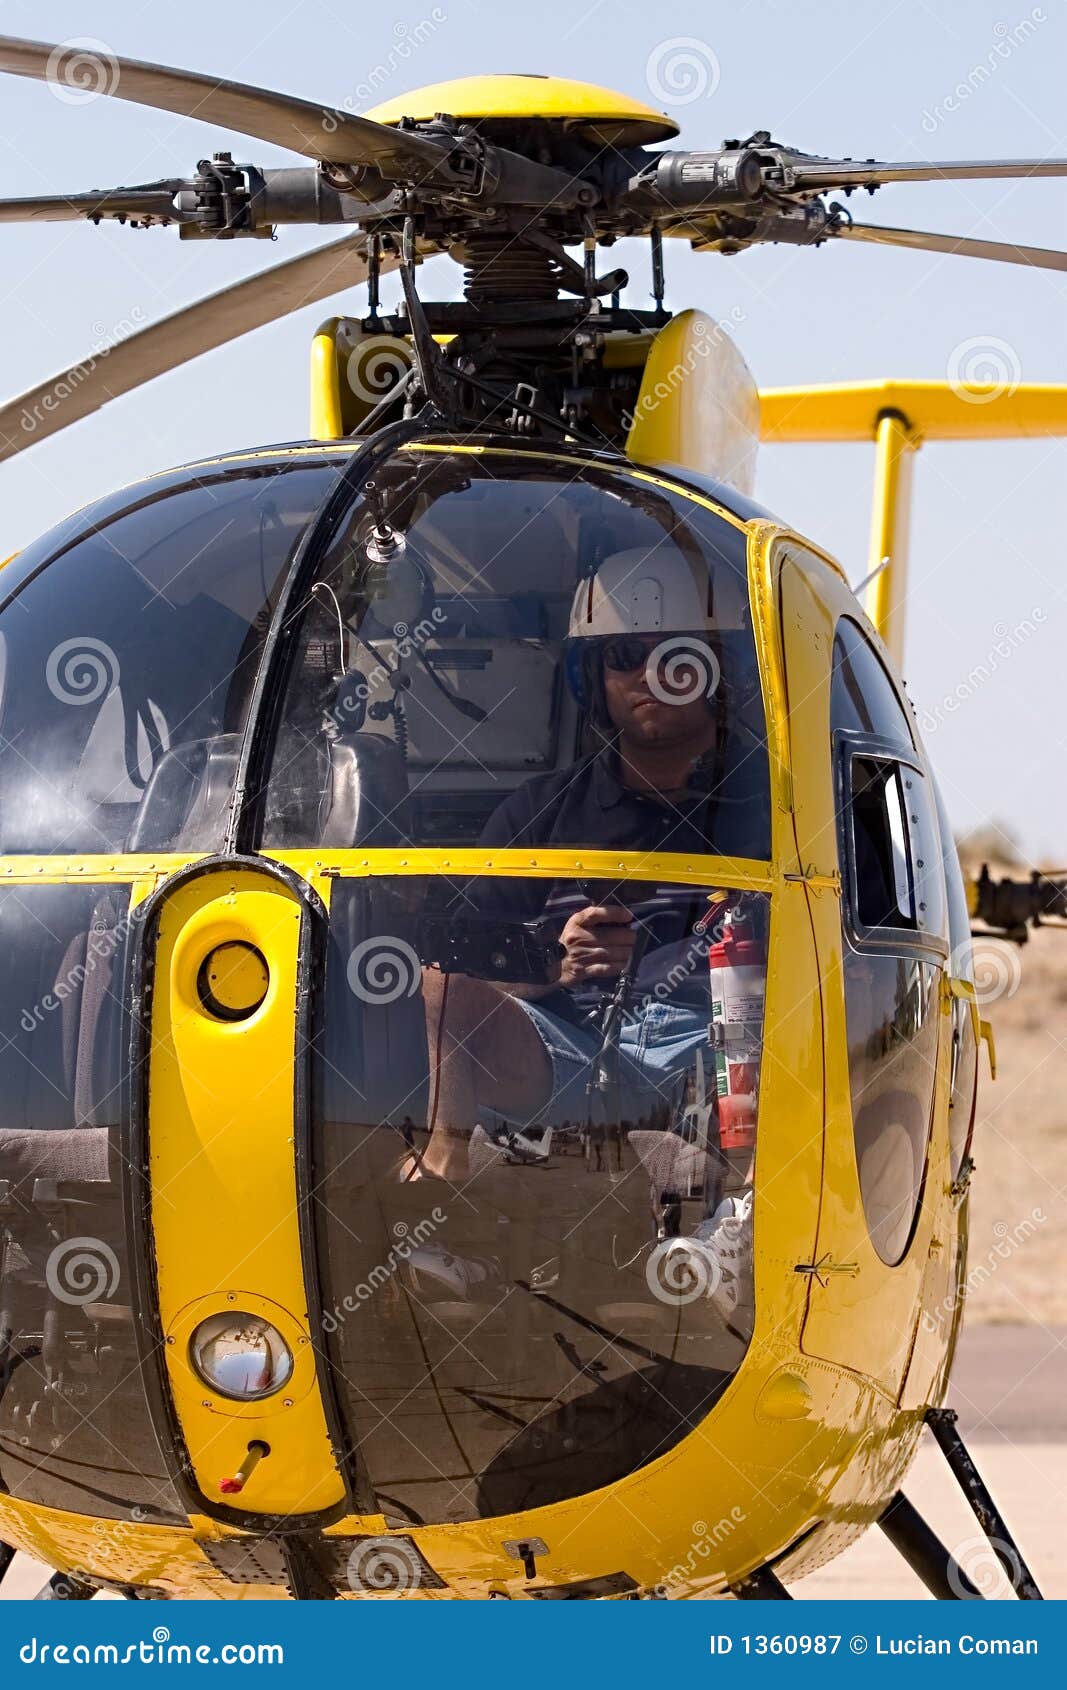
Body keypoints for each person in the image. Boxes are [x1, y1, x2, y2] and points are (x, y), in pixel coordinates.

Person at [413, 540, 762, 1326]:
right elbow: (470, 962)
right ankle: (449, 1193)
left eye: (669, 655)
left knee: (750, 987)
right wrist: (552, 967)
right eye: (622, 656)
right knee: (441, 980)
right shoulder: (538, 813)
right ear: (591, 679)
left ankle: (735, 1225)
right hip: (566, 1047)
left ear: (715, 671)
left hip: (717, 1046)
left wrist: (665, 960)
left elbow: (823, 957)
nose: (644, 676)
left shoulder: (768, 813)